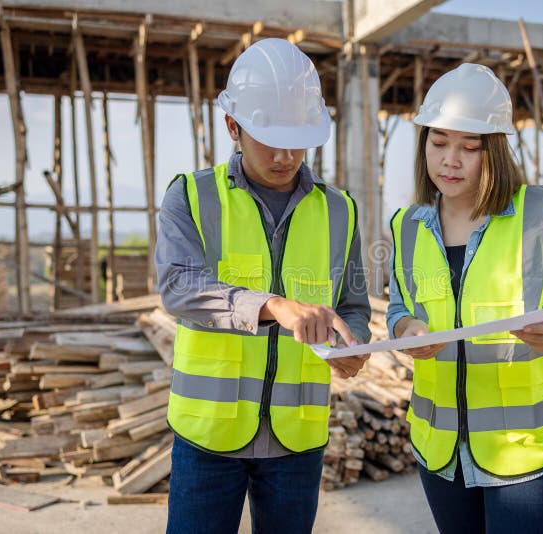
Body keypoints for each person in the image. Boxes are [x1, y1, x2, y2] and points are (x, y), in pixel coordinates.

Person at [156, 38, 371, 534]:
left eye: (297, 140)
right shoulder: (192, 196)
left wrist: (352, 342)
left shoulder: (340, 210)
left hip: (298, 439)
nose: (286, 155)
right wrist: (273, 305)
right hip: (209, 438)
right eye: (270, 139)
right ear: (233, 126)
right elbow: (179, 286)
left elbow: (353, 304)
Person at [387, 63, 543, 534]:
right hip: (441, 450)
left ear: (495, 150)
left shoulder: (542, 214)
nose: (450, 160)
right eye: (438, 143)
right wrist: (407, 330)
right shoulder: (407, 226)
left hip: (525, 448)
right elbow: (400, 309)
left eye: (469, 147)